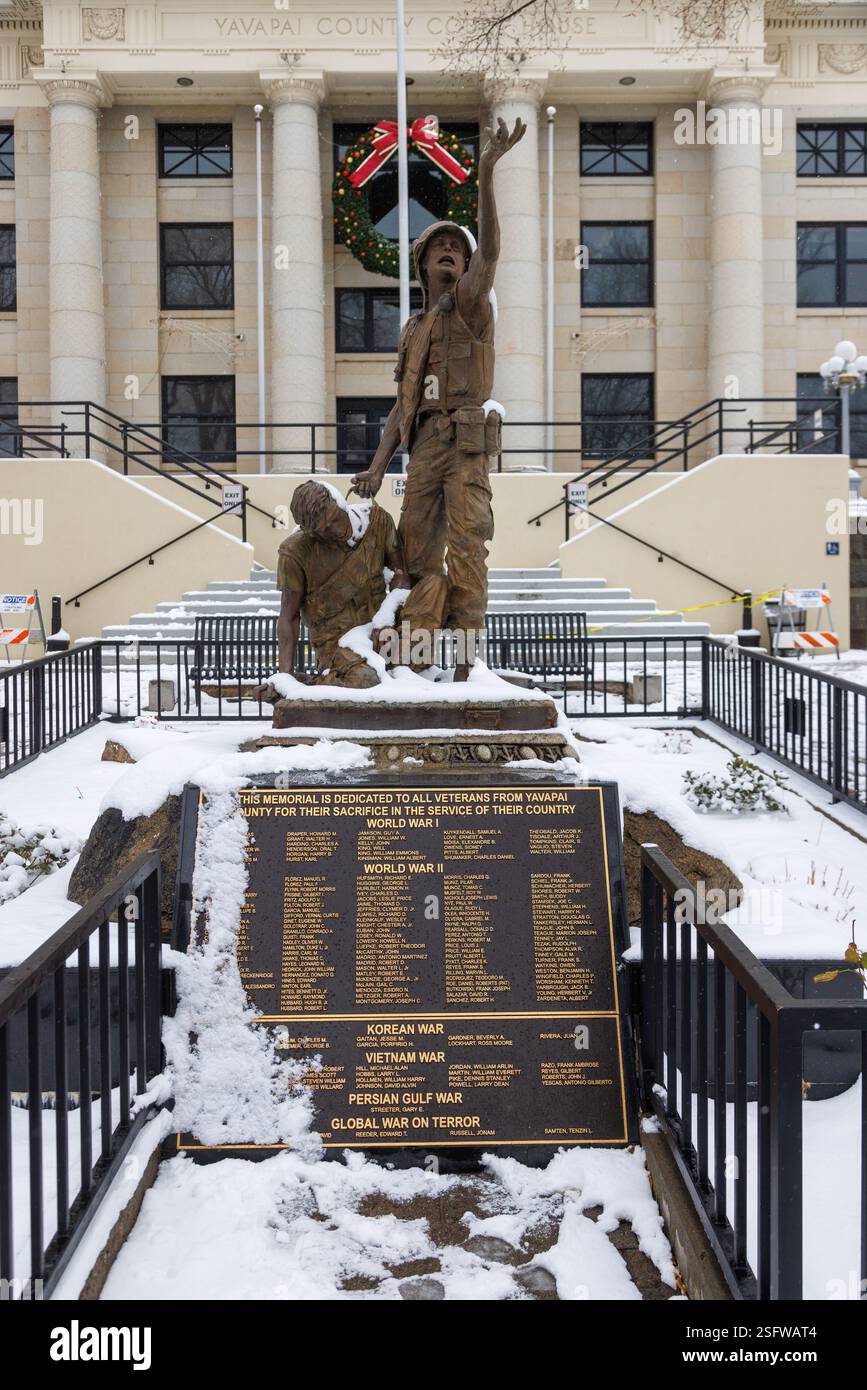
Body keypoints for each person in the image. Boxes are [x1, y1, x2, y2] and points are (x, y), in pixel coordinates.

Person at [350, 116, 526, 679]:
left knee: (468, 544)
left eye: (458, 249)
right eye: (440, 247)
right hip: (423, 446)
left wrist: (487, 173)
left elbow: (492, 251)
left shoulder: (472, 303)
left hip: (465, 443)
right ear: (424, 264)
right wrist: (377, 467)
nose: (451, 252)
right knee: (415, 550)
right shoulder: (412, 328)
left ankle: (468, 664)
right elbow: (402, 405)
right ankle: (418, 656)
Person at [276, 480, 409, 688]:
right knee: (367, 678)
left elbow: (399, 575)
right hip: (338, 649)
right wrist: (285, 675)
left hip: (382, 633)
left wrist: (388, 619)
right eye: (325, 529)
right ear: (311, 533)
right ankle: (319, 683)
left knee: (434, 587)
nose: (336, 530)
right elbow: (288, 615)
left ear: (340, 503)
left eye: (336, 519)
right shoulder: (295, 554)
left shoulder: (378, 521)